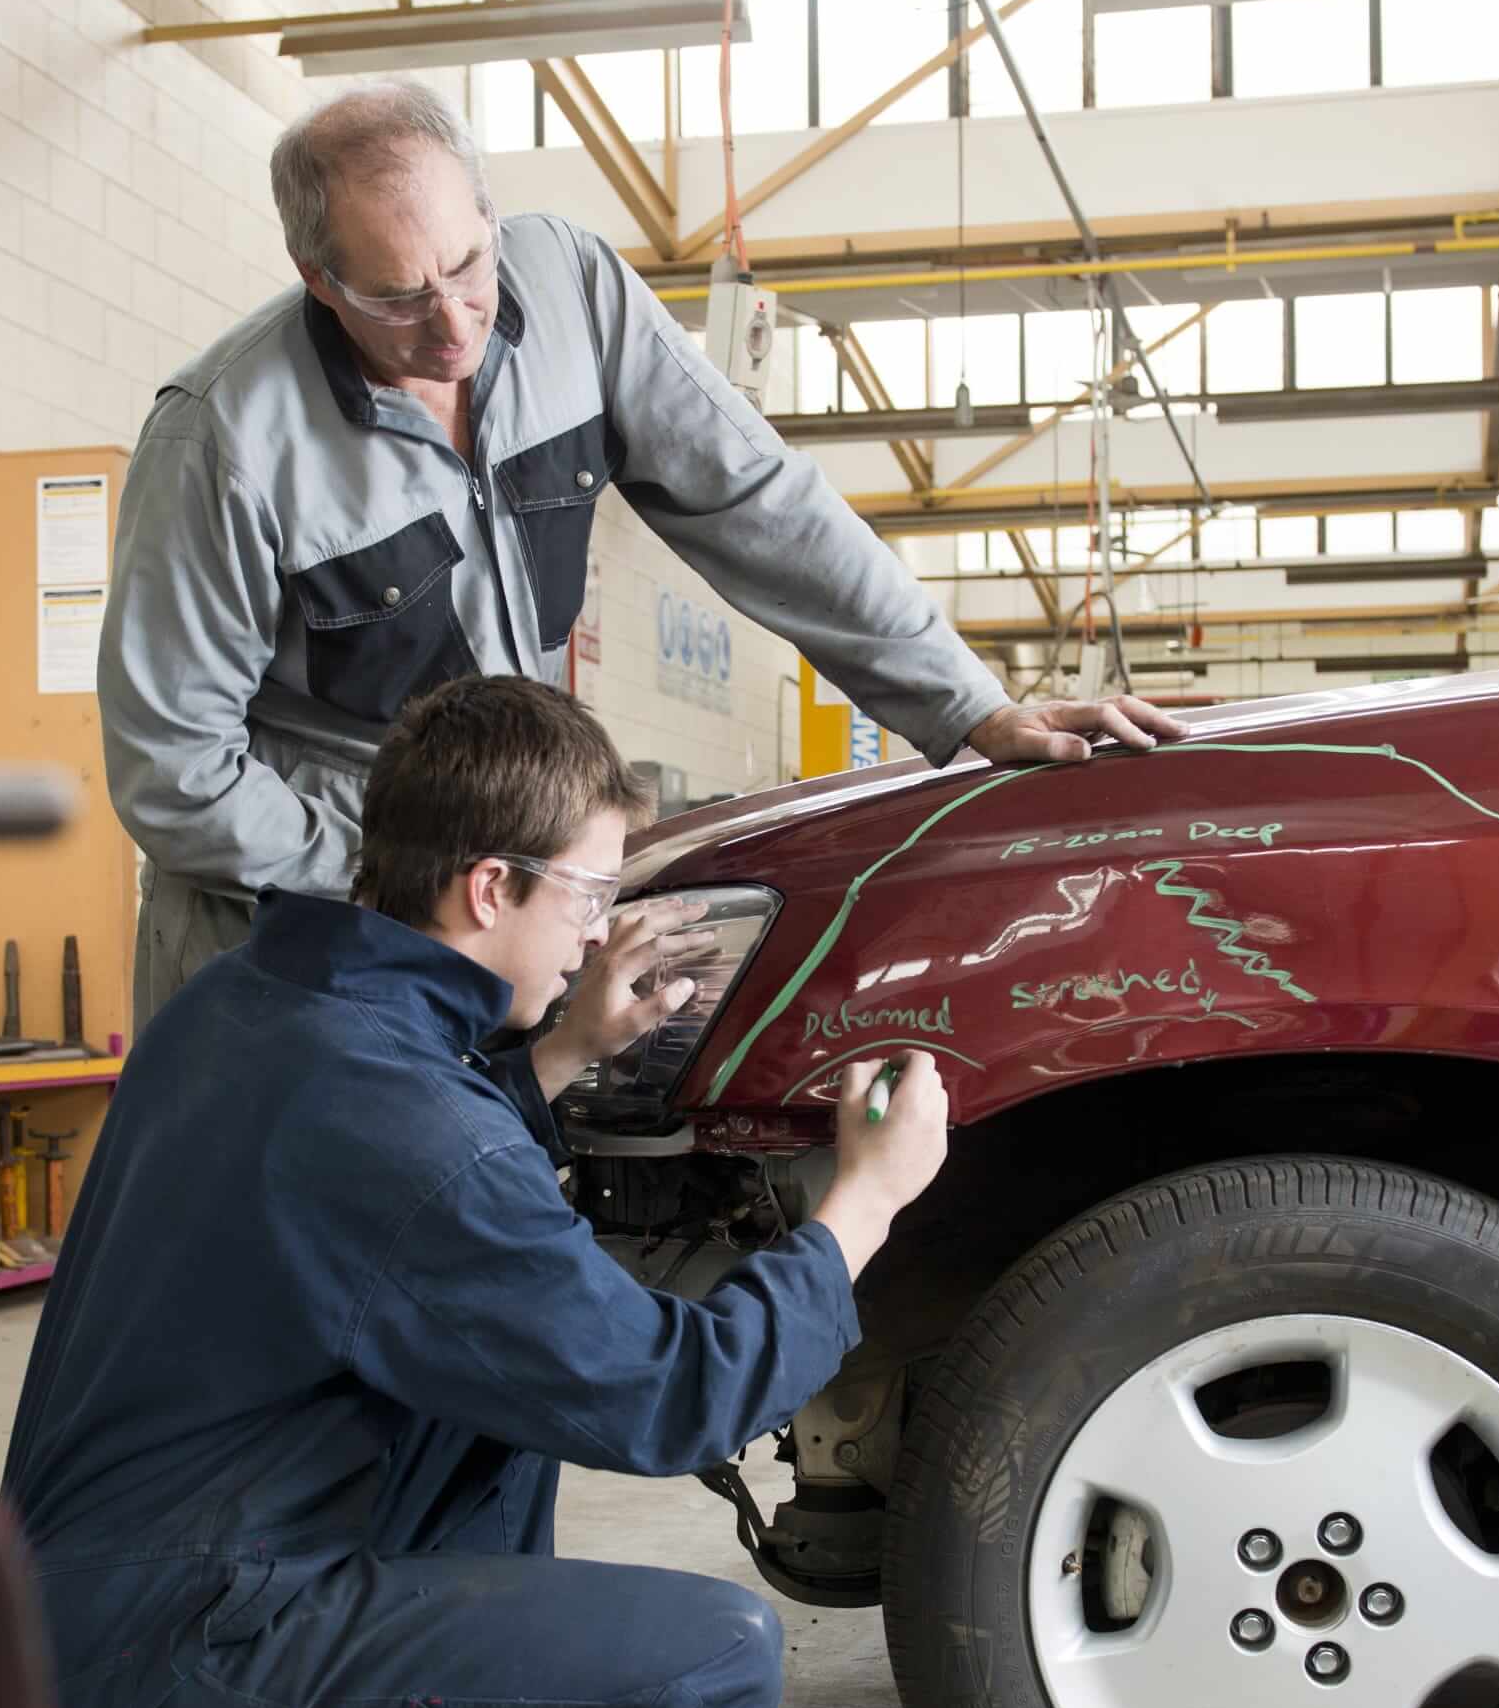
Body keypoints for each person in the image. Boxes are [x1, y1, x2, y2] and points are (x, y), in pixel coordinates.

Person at [3, 675, 954, 1708]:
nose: (598, 925)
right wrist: (862, 1209)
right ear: (488, 881)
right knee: (710, 1669)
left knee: (498, 1394)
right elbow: (664, 1396)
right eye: (586, 892)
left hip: (91, 1604)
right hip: (169, 1663)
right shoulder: (401, 1120)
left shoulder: (258, 999)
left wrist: (561, 1047)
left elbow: (406, 1200)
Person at [101, 75, 1183, 1030]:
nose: (452, 327)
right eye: (397, 298)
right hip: (287, 943)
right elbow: (174, 772)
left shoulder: (571, 289)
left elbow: (761, 501)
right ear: (317, 277)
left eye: (469, 267)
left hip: (487, 906)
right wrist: (406, 883)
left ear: (489, 207)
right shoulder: (223, 439)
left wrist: (966, 705)